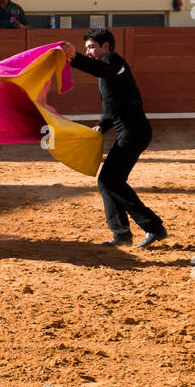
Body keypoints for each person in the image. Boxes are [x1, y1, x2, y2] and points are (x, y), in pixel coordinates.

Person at [62, 30, 167, 249]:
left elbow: (101, 69)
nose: (88, 52)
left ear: (106, 46)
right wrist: (101, 126)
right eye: (87, 48)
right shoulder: (109, 71)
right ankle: (121, 233)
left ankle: (152, 227)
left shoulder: (112, 61)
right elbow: (113, 107)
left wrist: (74, 58)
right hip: (130, 131)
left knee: (111, 180)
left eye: (91, 47)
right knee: (108, 181)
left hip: (134, 131)